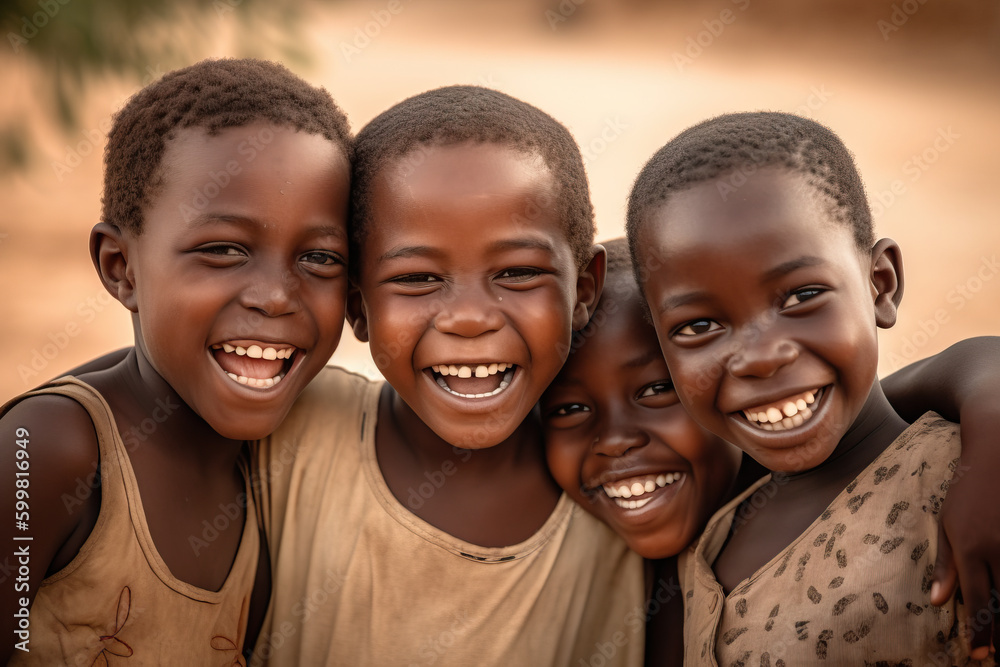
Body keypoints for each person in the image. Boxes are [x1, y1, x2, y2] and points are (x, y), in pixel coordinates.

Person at [251, 86, 646, 667]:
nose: (469, 318)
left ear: (583, 289)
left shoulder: (627, 483)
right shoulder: (292, 435)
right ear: (357, 305)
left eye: (516, 272)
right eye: (416, 280)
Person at [0, 58, 353, 665]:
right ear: (121, 266)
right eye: (222, 250)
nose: (274, 295)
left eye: (319, 259)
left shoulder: (277, 479)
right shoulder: (46, 450)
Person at [626, 111, 994, 665]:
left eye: (801, 297)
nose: (760, 357)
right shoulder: (713, 532)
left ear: (880, 285)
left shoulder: (966, 486)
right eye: (699, 326)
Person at [543, 236, 1000, 664]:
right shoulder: (578, 543)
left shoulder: (809, 477)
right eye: (569, 408)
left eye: (658, 389)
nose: (617, 439)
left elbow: (898, 392)